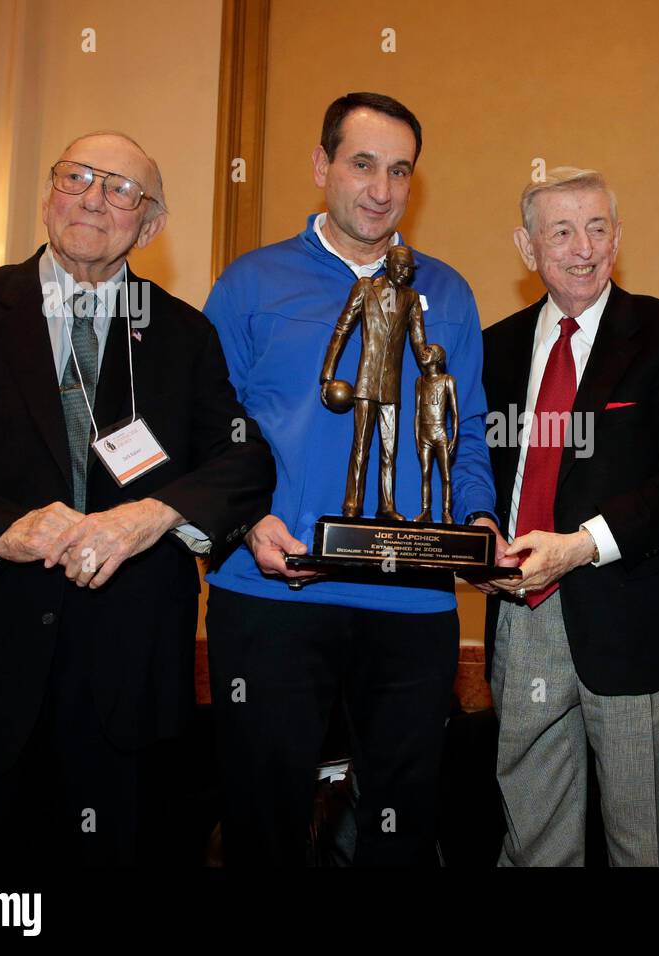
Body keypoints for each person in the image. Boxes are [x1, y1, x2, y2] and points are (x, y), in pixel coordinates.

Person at [0, 131, 275, 865]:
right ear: (47, 195)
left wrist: (146, 517)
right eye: (77, 177)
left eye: (120, 189)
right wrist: (9, 531)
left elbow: (242, 458)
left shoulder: (185, 335)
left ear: (150, 224)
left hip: (123, 678)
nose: (94, 198)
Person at [202, 92, 500, 866]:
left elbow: (463, 438)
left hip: (411, 600)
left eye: (400, 171)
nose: (381, 188)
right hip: (271, 591)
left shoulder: (450, 291)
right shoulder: (249, 282)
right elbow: (209, 434)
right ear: (321, 165)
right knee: (264, 823)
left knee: (400, 826)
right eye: (363, 164)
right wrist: (242, 526)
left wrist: (478, 523)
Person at [481, 167, 659, 865]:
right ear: (527, 248)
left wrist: (581, 546)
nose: (583, 247)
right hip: (521, 621)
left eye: (598, 228)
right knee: (533, 842)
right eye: (561, 230)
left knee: (651, 843)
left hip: (633, 621)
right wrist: (480, 540)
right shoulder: (493, 349)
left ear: (617, 237)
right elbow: (474, 472)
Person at [321, 244, 428, 518]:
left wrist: (432, 361)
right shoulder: (365, 288)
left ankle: (387, 506)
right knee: (361, 447)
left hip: (391, 387)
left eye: (408, 269)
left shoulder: (412, 298)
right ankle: (352, 504)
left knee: (389, 452)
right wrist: (327, 374)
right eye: (400, 267)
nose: (404, 273)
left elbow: (418, 342)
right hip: (365, 383)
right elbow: (342, 330)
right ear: (388, 264)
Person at [413, 344, 457, 524]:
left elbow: (454, 413)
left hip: (440, 433)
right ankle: (426, 511)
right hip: (424, 434)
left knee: (446, 475)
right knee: (425, 474)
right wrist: (417, 437)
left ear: (438, 357)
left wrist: (454, 437)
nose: (424, 353)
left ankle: (446, 512)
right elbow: (417, 413)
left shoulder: (448, 380)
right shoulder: (420, 381)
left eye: (429, 351)